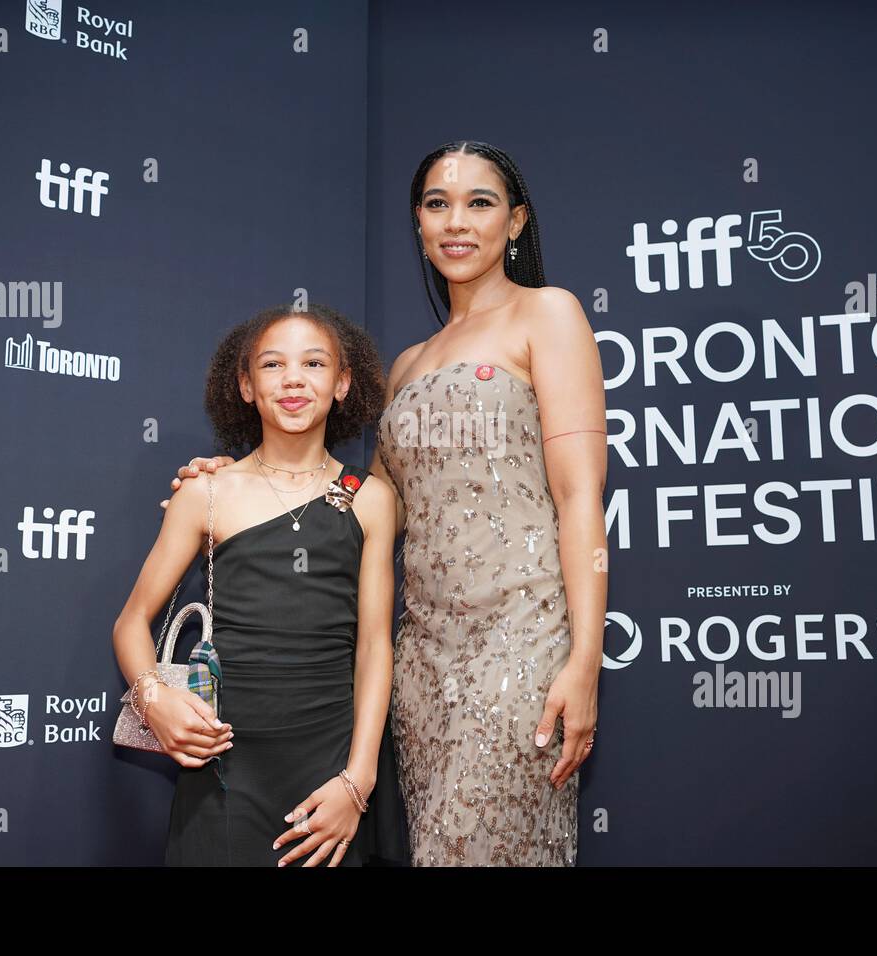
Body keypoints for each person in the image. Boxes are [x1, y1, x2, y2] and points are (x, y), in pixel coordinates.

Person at [170, 140, 607, 866]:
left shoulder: (548, 315)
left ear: (517, 221)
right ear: (418, 223)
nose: (456, 222)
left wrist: (583, 660)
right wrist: (237, 475)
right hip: (422, 664)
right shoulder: (407, 364)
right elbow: (364, 503)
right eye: (438, 204)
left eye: (480, 202)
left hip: (522, 647)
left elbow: (580, 494)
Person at [115, 303, 408, 866]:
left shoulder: (371, 498)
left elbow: (375, 646)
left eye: (314, 363)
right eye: (272, 365)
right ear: (246, 386)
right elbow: (131, 623)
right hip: (223, 765)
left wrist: (359, 782)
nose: (293, 379)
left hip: (332, 770)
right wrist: (154, 701)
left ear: (343, 383)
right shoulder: (206, 491)